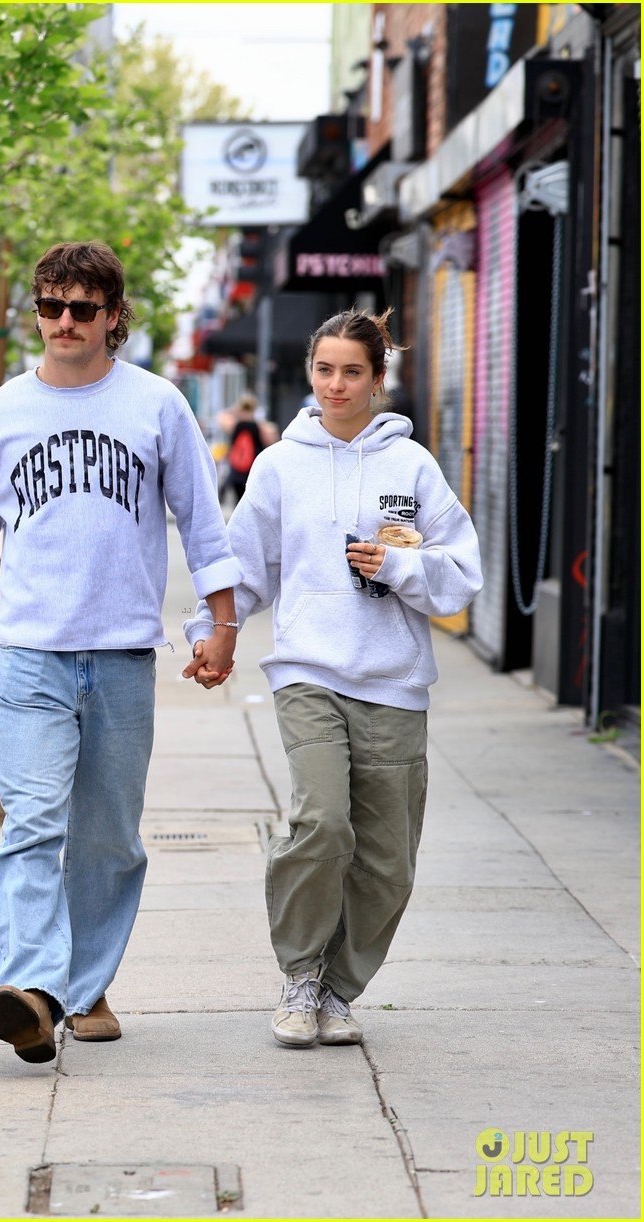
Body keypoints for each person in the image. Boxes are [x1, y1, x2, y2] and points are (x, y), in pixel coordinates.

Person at [0, 241, 240, 1064]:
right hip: (29, 652)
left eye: (80, 309)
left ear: (113, 317)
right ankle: (31, 991)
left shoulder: (156, 405)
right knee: (32, 824)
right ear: (35, 311)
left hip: (120, 656)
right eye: (49, 307)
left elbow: (201, 526)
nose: (63, 323)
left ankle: (81, 983)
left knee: (106, 837)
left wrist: (222, 625)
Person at [184, 308, 482, 1048]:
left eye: (352, 371)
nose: (336, 385)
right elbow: (243, 565)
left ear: (377, 379)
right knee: (321, 822)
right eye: (324, 370)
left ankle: (339, 990)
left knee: (386, 859)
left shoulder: (411, 466)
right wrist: (211, 634)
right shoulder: (281, 463)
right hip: (307, 671)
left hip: (392, 682)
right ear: (309, 374)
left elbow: (462, 574)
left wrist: (402, 566)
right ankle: (297, 976)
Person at [221, 393, 265, 504]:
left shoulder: (237, 425)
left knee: (238, 500)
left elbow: (233, 445)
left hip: (237, 468)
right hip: (251, 467)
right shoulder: (256, 426)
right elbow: (262, 444)